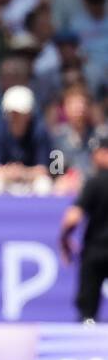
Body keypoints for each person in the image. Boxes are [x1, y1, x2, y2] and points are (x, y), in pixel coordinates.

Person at [59, 131, 108, 322]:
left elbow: (72, 218)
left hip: (95, 253)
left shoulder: (94, 183)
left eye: (97, 151)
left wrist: (64, 239)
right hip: (96, 251)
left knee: (87, 315)